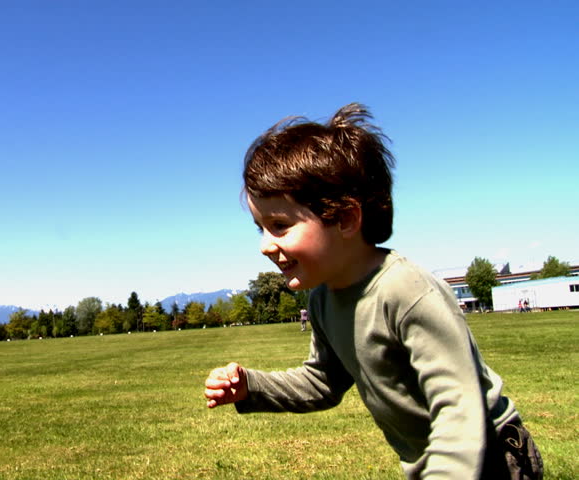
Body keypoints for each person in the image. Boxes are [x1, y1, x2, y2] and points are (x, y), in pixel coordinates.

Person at [204, 104, 543, 479]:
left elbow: (459, 406)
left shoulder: (406, 291)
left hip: (491, 456)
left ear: (346, 218)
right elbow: (323, 382)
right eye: (261, 228)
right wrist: (250, 387)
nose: (265, 245)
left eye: (279, 225)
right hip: (434, 461)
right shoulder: (323, 299)